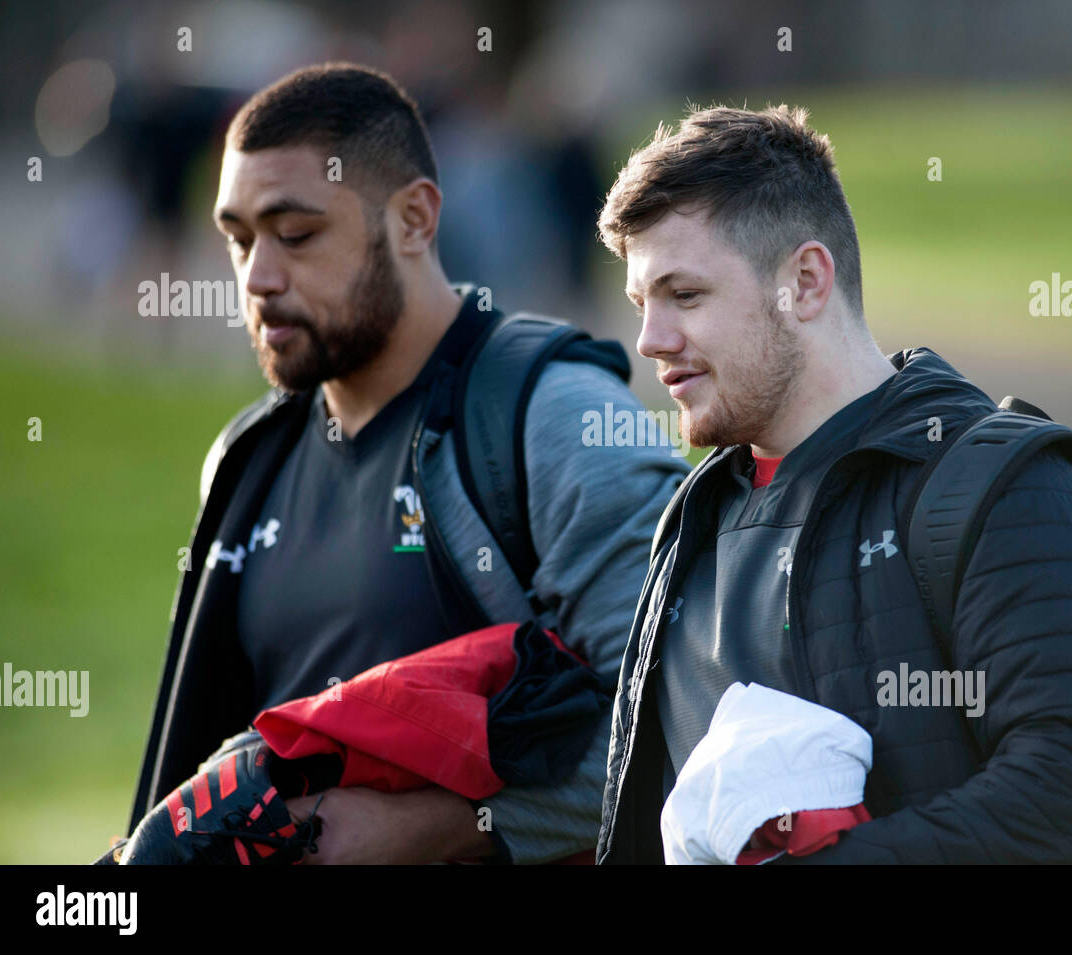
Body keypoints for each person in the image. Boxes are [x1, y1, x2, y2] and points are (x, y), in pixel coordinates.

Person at [125, 63, 689, 864]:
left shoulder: (550, 419)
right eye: (238, 238)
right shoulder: (244, 458)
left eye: (295, 234)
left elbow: (680, 728)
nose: (258, 277)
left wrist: (429, 829)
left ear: (415, 218)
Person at [594, 104, 1072, 864]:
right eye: (642, 304)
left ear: (805, 280)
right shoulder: (693, 521)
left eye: (685, 295)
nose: (651, 340)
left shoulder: (1008, 491)